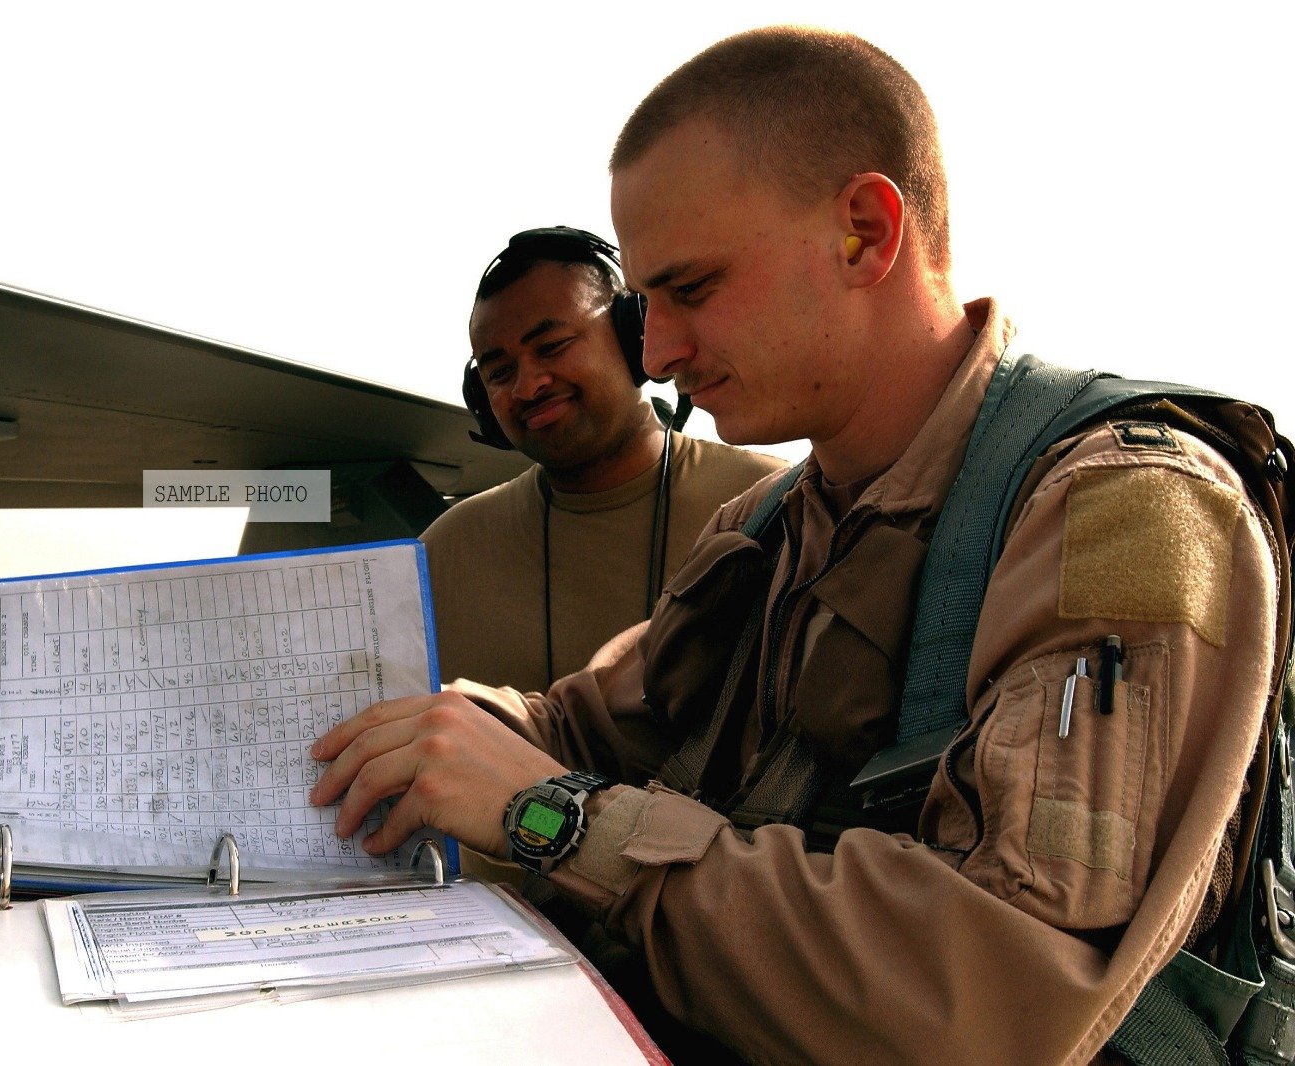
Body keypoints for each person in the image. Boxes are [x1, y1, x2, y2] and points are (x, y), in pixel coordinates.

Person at [312, 27, 1280, 1062]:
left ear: (865, 232)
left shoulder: (1125, 511)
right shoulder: (771, 526)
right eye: (646, 305)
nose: (660, 353)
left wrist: (552, 819)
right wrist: (425, 731)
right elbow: (590, 725)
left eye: (692, 290)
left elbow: (994, 998)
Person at [425, 227, 782, 692]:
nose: (528, 385)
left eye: (552, 347)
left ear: (635, 335)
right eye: (499, 372)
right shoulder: (442, 553)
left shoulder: (774, 507)